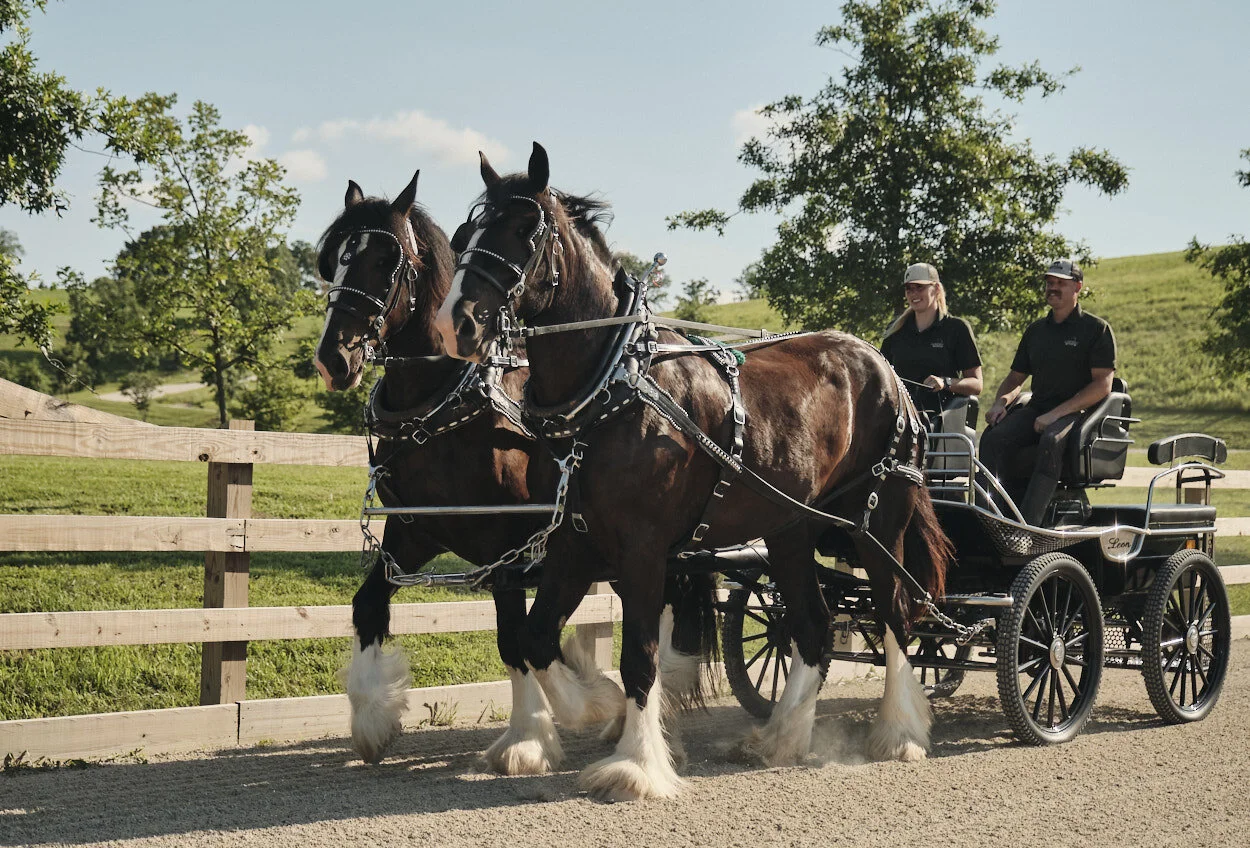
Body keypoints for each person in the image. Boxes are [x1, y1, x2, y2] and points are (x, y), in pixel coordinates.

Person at [980, 259, 1117, 526]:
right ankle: (990, 520)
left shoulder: (1096, 329)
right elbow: (1016, 378)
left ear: (1077, 287)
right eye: (1049, 283)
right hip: (1038, 409)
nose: (1052, 288)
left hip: (1078, 415)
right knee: (993, 438)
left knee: (1052, 441)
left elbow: (1103, 384)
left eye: (1060, 284)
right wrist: (1000, 403)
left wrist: (1056, 414)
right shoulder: (1036, 331)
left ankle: (1028, 526)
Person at [881, 262, 983, 422]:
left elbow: (976, 384)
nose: (913, 293)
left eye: (919, 287)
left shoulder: (957, 328)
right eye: (909, 288)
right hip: (899, 416)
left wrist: (945, 382)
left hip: (940, 418)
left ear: (936, 289)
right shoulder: (894, 331)